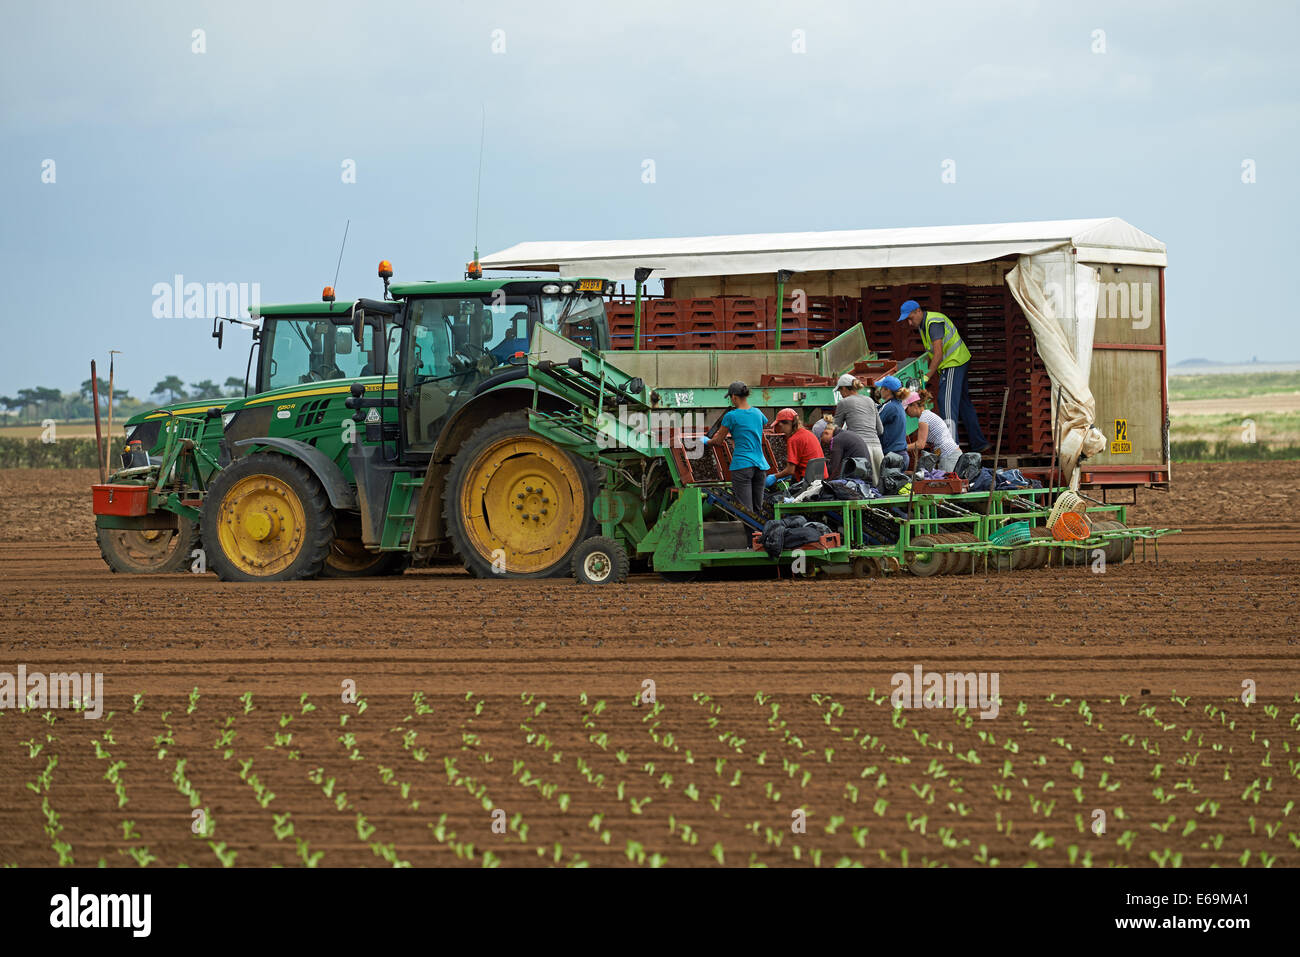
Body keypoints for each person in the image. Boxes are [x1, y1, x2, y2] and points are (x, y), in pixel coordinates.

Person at [898, 298, 989, 453]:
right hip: (957, 361)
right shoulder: (923, 325)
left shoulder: (933, 323)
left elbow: (938, 354)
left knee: (946, 403)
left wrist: (926, 377)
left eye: (910, 318)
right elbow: (931, 353)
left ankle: (951, 448)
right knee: (963, 405)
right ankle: (979, 443)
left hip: (954, 362)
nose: (909, 323)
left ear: (918, 311)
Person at [704, 381, 769, 513]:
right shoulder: (758, 413)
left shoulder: (731, 416)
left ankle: (749, 528)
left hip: (742, 465)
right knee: (758, 511)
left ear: (734, 397)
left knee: (746, 512)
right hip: (760, 466)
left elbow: (718, 441)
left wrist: (706, 441)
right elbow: (760, 426)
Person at [832, 373, 884, 485]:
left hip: (860, 450)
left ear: (844, 388)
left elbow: (835, 430)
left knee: (863, 488)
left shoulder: (843, 403)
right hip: (877, 449)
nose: (841, 394)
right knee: (880, 487)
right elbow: (880, 430)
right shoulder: (870, 401)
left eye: (840, 390)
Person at [900, 388, 963, 472]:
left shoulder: (923, 419)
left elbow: (920, 445)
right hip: (952, 454)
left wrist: (902, 448)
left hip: (948, 456)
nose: (906, 413)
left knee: (947, 480)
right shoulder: (928, 415)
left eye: (906, 409)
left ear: (914, 405)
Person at [770, 408, 823, 484]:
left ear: (782, 425)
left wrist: (775, 477)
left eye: (777, 426)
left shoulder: (794, 439)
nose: (777, 430)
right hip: (819, 478)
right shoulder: (809, 434)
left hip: (806, 480)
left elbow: (790, 470)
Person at [873, 374, 909, 470]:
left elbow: (874, 425)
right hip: (900, 455)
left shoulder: (889, 407)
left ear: (887, 390)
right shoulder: (897, 405)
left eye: (881, 388)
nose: (880, 390)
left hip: (893, 457)